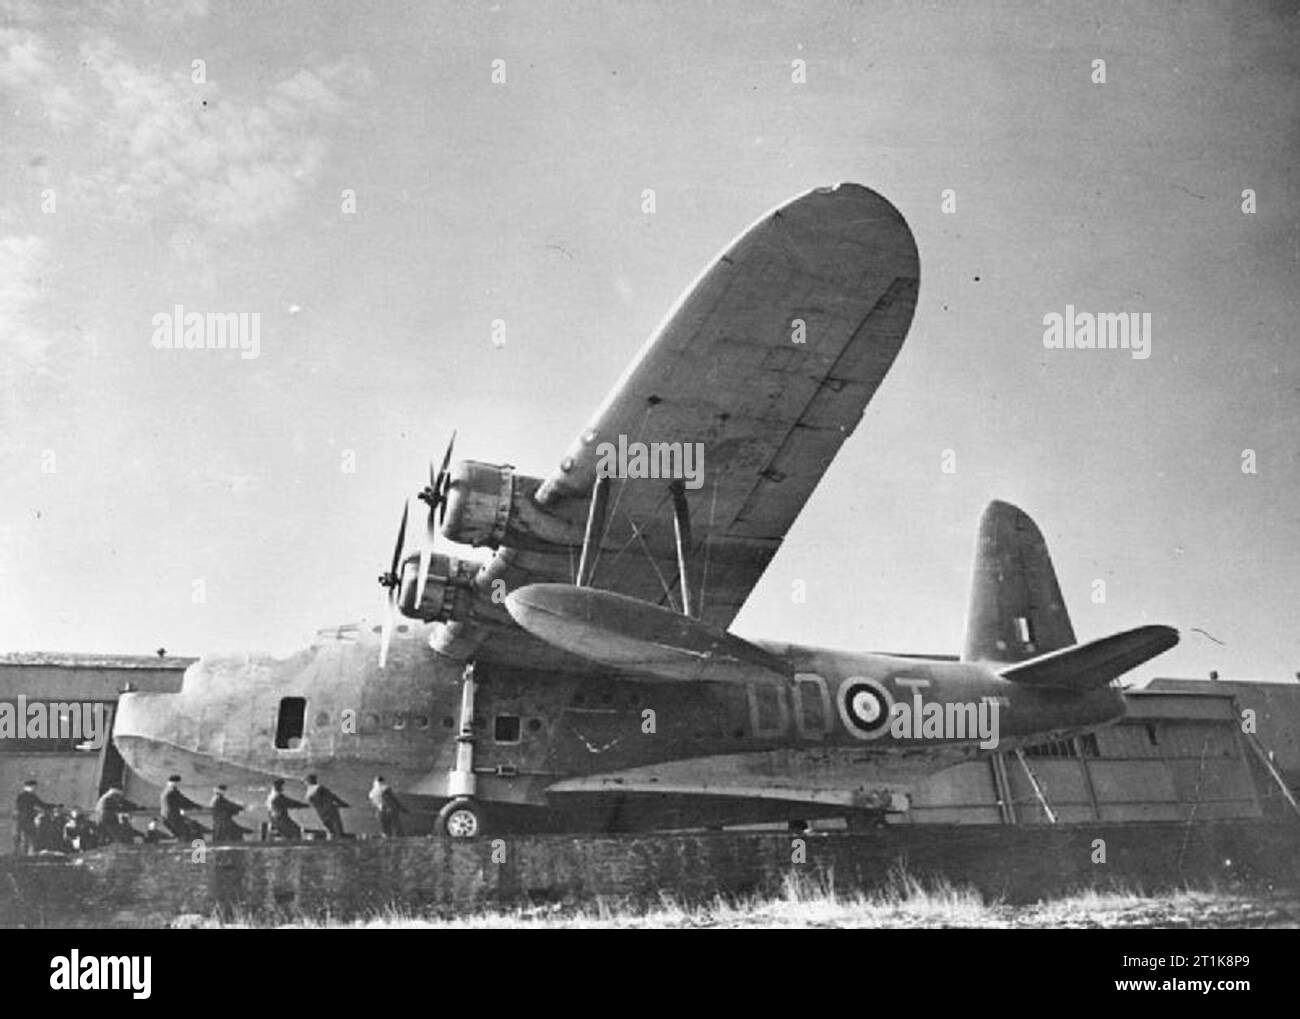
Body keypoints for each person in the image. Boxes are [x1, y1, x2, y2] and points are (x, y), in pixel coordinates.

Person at [160, 774, 206, 841]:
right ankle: (185, 848)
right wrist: (195, 805)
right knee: (185, 832)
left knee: (181, 833)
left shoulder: (165, 790)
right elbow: (183, 802)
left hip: (165, 816)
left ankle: (182, 846)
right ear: (177, 782)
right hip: (172, 815)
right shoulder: (172, 791)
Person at [304, 773, 350, 839]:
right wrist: (343, 804)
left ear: (308, 782)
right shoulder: (319, 788)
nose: (305, 783)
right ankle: (339, 838)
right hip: (329, 810)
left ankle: (336, 838)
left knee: (330, 827)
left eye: (305, 781)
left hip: (321, 812)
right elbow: (333, 797)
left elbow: (313, 802)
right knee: (336, 828)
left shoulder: (310, 791)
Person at [15, 779, 54, 855]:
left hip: (23, 819)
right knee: (29, 837)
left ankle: (23, 854)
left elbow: (40, 805)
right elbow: (41, 805)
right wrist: (52, 806)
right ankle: (26, 854)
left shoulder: (24, 796)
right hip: (26, 820)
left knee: (25, 838)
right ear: (30, 787)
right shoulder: (28, 796)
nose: (34, 789)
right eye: (34, 787)